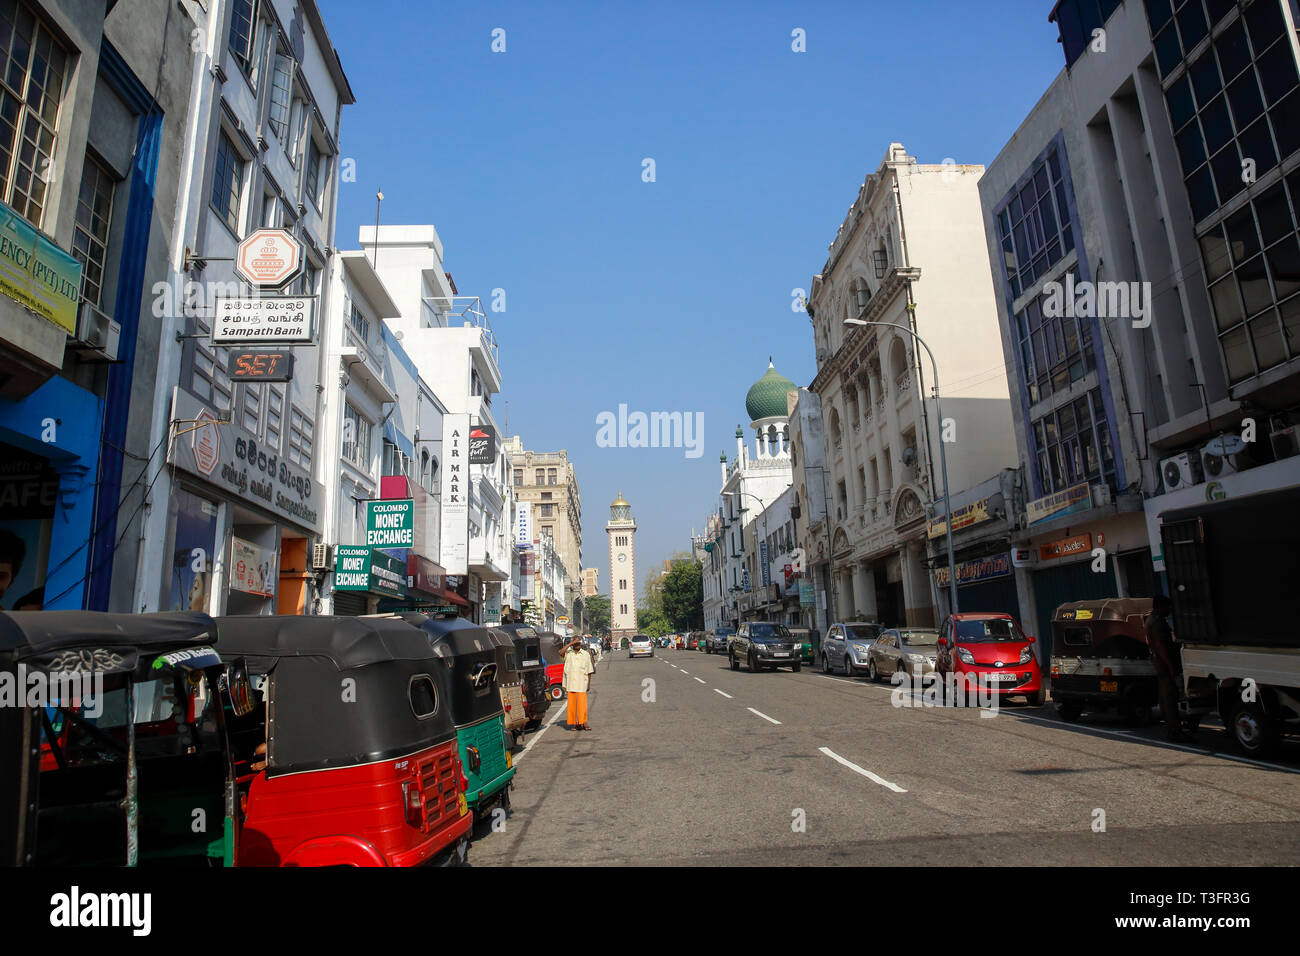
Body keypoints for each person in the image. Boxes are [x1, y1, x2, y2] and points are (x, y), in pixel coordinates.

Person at [1146, 594, 1189, 742]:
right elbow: (1161, 646)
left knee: (1165, 696)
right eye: (1167, 607)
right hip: (1163, 662)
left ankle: (1172, 727)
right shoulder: (1157, 622)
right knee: (1170, 696)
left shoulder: (1151, 620)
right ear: (1160, 607)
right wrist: (1171, 666)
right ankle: (1174, 730)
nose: (1169, 610)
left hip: (1159, 661)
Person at [563, 637, 594, 730]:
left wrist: (588, 684)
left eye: (579, 643)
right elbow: (560, 652)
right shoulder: (568, 654)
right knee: (572, 706)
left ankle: (584, 722)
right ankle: (575, 723)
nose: (577, 645)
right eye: (575, 643)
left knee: (582, 705)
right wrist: (570, 643)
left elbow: (589, 671)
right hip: (571, 683)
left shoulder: (585, 654)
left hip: (581, 683)